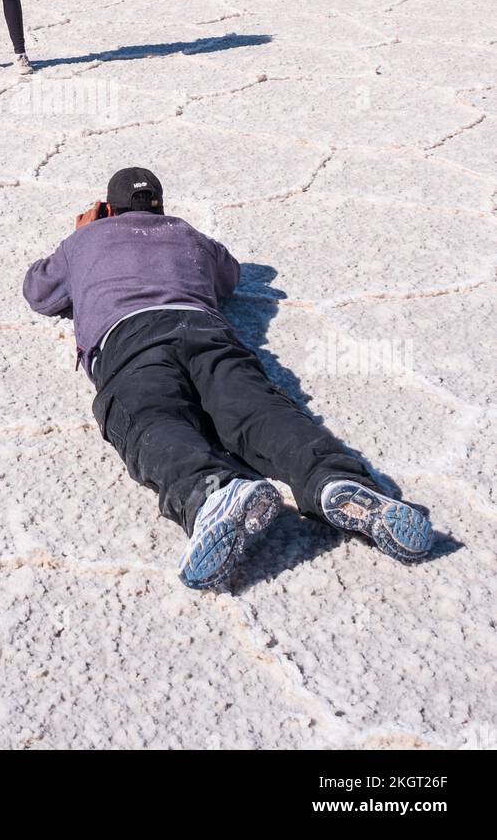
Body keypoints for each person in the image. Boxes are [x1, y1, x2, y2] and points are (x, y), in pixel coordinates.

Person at [22, 167, 434, 591]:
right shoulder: (186, 233)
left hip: (129, 339)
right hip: (206, 331)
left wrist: (87, 234)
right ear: (161, 206)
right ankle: (337, 478)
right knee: (257, 410)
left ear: (109, 208)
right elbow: (229, 277)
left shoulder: (85, 239)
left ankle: (213, 490)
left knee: (150, 418)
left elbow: (39, 292)